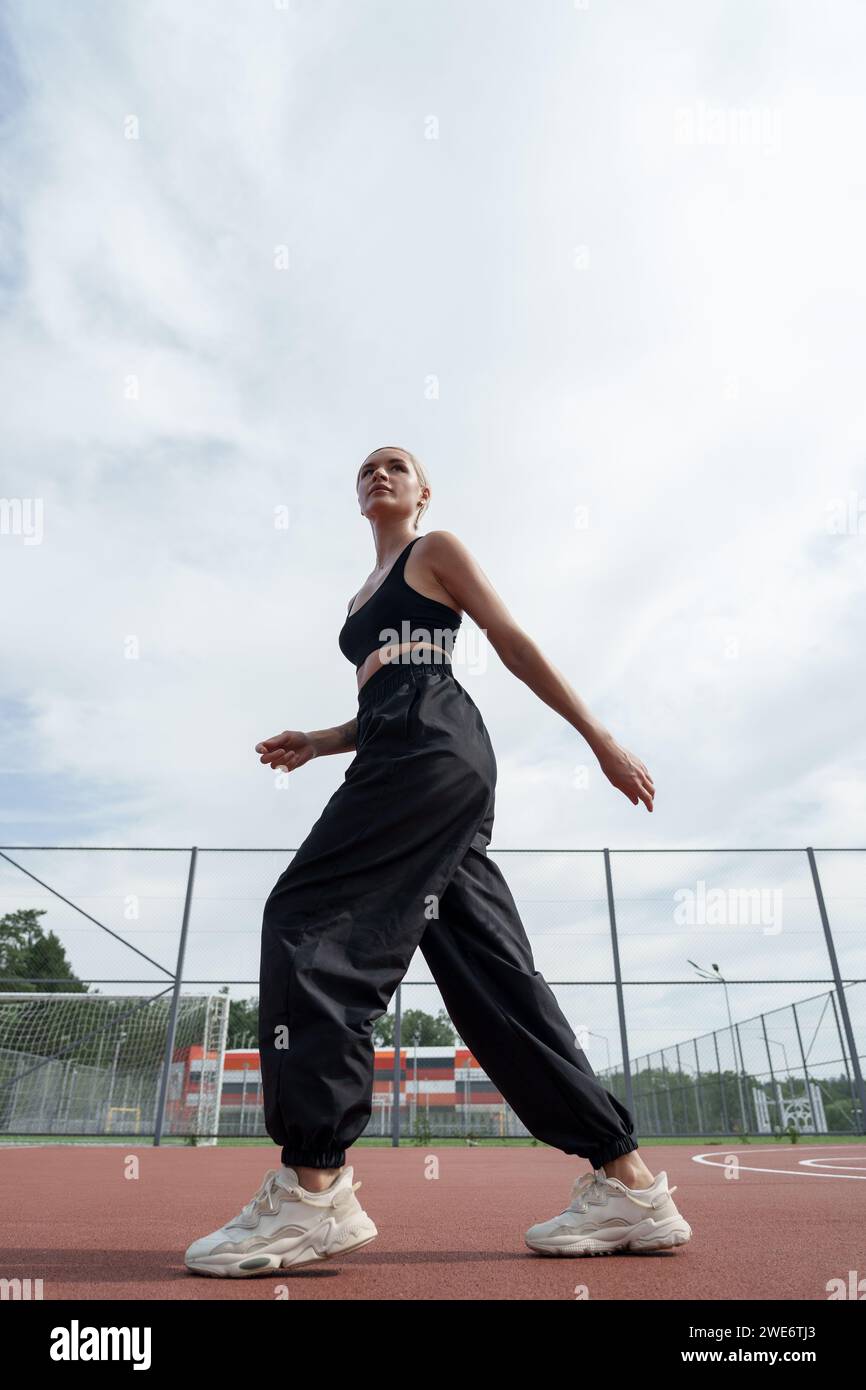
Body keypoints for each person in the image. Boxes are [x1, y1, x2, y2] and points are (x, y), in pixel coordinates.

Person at [184, 446, 691, 1276]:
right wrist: (321, 740)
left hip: (430, 752)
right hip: (399, 750)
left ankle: (314, 1189)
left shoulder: (436, 550)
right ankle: (629, 1183)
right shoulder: (359, 599)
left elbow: (509, 637)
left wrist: (599, 738)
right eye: (365, 469)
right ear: (356, 498)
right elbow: (382, 693)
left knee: (306, 920)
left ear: (423, 491)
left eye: (396, 465)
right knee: (494, 981)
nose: (378, 474)